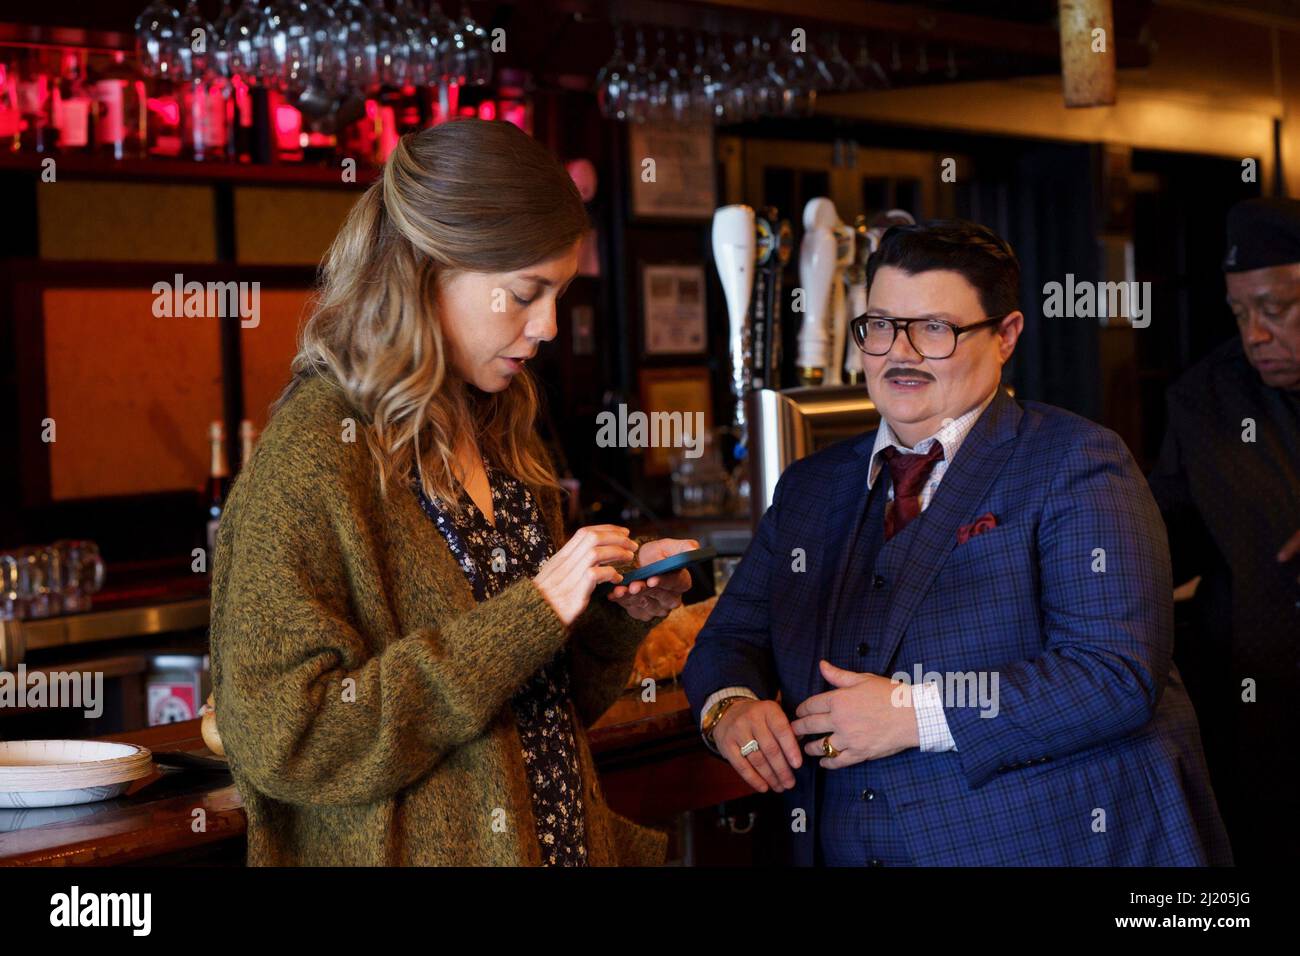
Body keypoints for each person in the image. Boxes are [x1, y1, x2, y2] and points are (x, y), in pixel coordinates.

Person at [209, 119, 696, 866]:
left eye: (559, 294)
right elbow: (286, 740)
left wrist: (609, 616)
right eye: (525, 294)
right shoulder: (316, 455)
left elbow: (543, 708)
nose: (548, 326)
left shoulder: (503, 430)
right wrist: (531, 612)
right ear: (427, 270)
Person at [683, 220, 1232, 866]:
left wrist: (912, 714)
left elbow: (1114, 675)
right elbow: (729, 638)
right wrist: (731, 709)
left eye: (934, 328)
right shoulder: (810, 486)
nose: (900, 354)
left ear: (1006, 336)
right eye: (881, 326)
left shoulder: (1078, 462)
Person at [1148, 197, 1300, 865]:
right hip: (1259, 711)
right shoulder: (1207, 397)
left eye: (1275, 308)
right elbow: (1171, 537)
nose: (1255, 334)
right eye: (1240, 314)